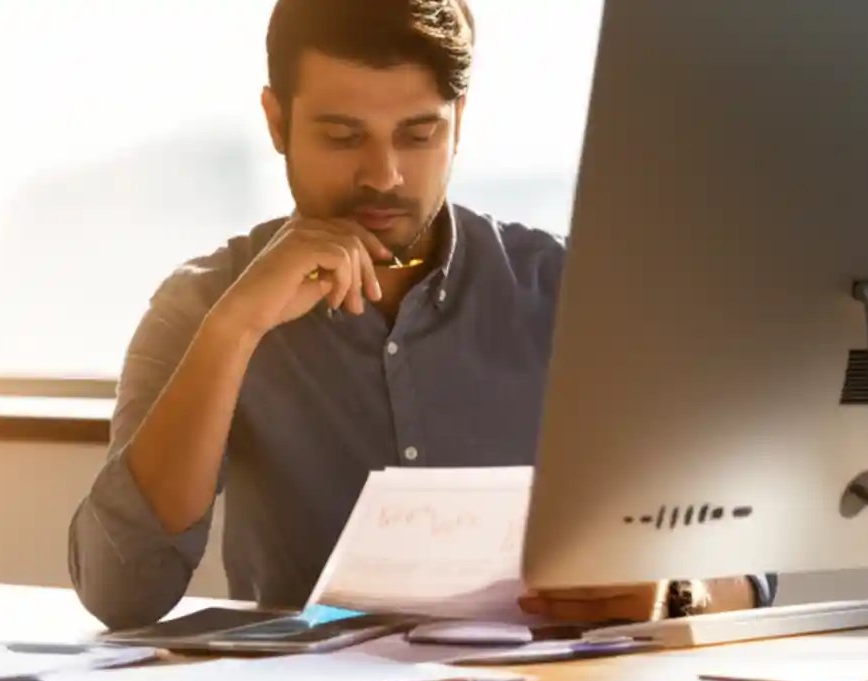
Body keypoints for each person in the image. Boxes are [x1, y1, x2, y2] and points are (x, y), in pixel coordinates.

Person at [68, 0, 776, 630]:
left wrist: (675, 592)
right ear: (277, 121)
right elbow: (121, 593)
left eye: (417, 134)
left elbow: (755, 564)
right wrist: (233, 333)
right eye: (343, 137)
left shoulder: (575, 294)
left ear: (459, 123)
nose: (384, 174)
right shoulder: (203, 305)